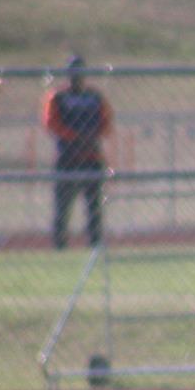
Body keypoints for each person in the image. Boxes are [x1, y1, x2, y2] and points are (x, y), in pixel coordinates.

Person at [43, 55, 113, 249]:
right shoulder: (57, 96)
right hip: (66, 157)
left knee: (93, 206)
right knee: (62, 206)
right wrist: (75, 136)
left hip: (91, 157)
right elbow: (51, 123)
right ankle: (60, 244)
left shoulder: (95, 97)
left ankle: (95, 244)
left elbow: (107, 122)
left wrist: (91, 136)